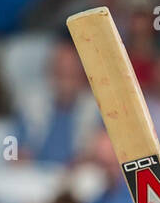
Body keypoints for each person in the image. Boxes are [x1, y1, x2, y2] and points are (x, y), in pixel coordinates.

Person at [16, 35, 103, 165]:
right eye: (60, 73)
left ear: (82, 75)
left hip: (78, 175)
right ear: (50, 73)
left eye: (71, 73)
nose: (65, 81)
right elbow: (11, 140)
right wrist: (14, 156)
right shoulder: (30, 102)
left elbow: (102, 149)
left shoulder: (96, 107)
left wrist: (90, 157)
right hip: (35, 174)